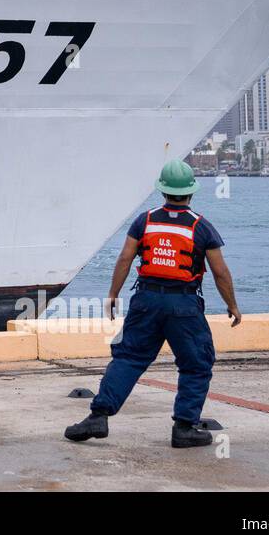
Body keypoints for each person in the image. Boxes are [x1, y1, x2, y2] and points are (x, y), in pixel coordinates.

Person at [64, 159, 241, 448]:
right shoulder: (201, 226)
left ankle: (99, 416)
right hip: (183, 305)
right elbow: (220, 272)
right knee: (196, 363)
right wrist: (232, 305)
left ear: (163, 191)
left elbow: (124, 258)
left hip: (145, 301)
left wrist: (112, 294)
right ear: (190, 193)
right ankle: (184, 427)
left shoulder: (144, 220)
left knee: (128, 358)